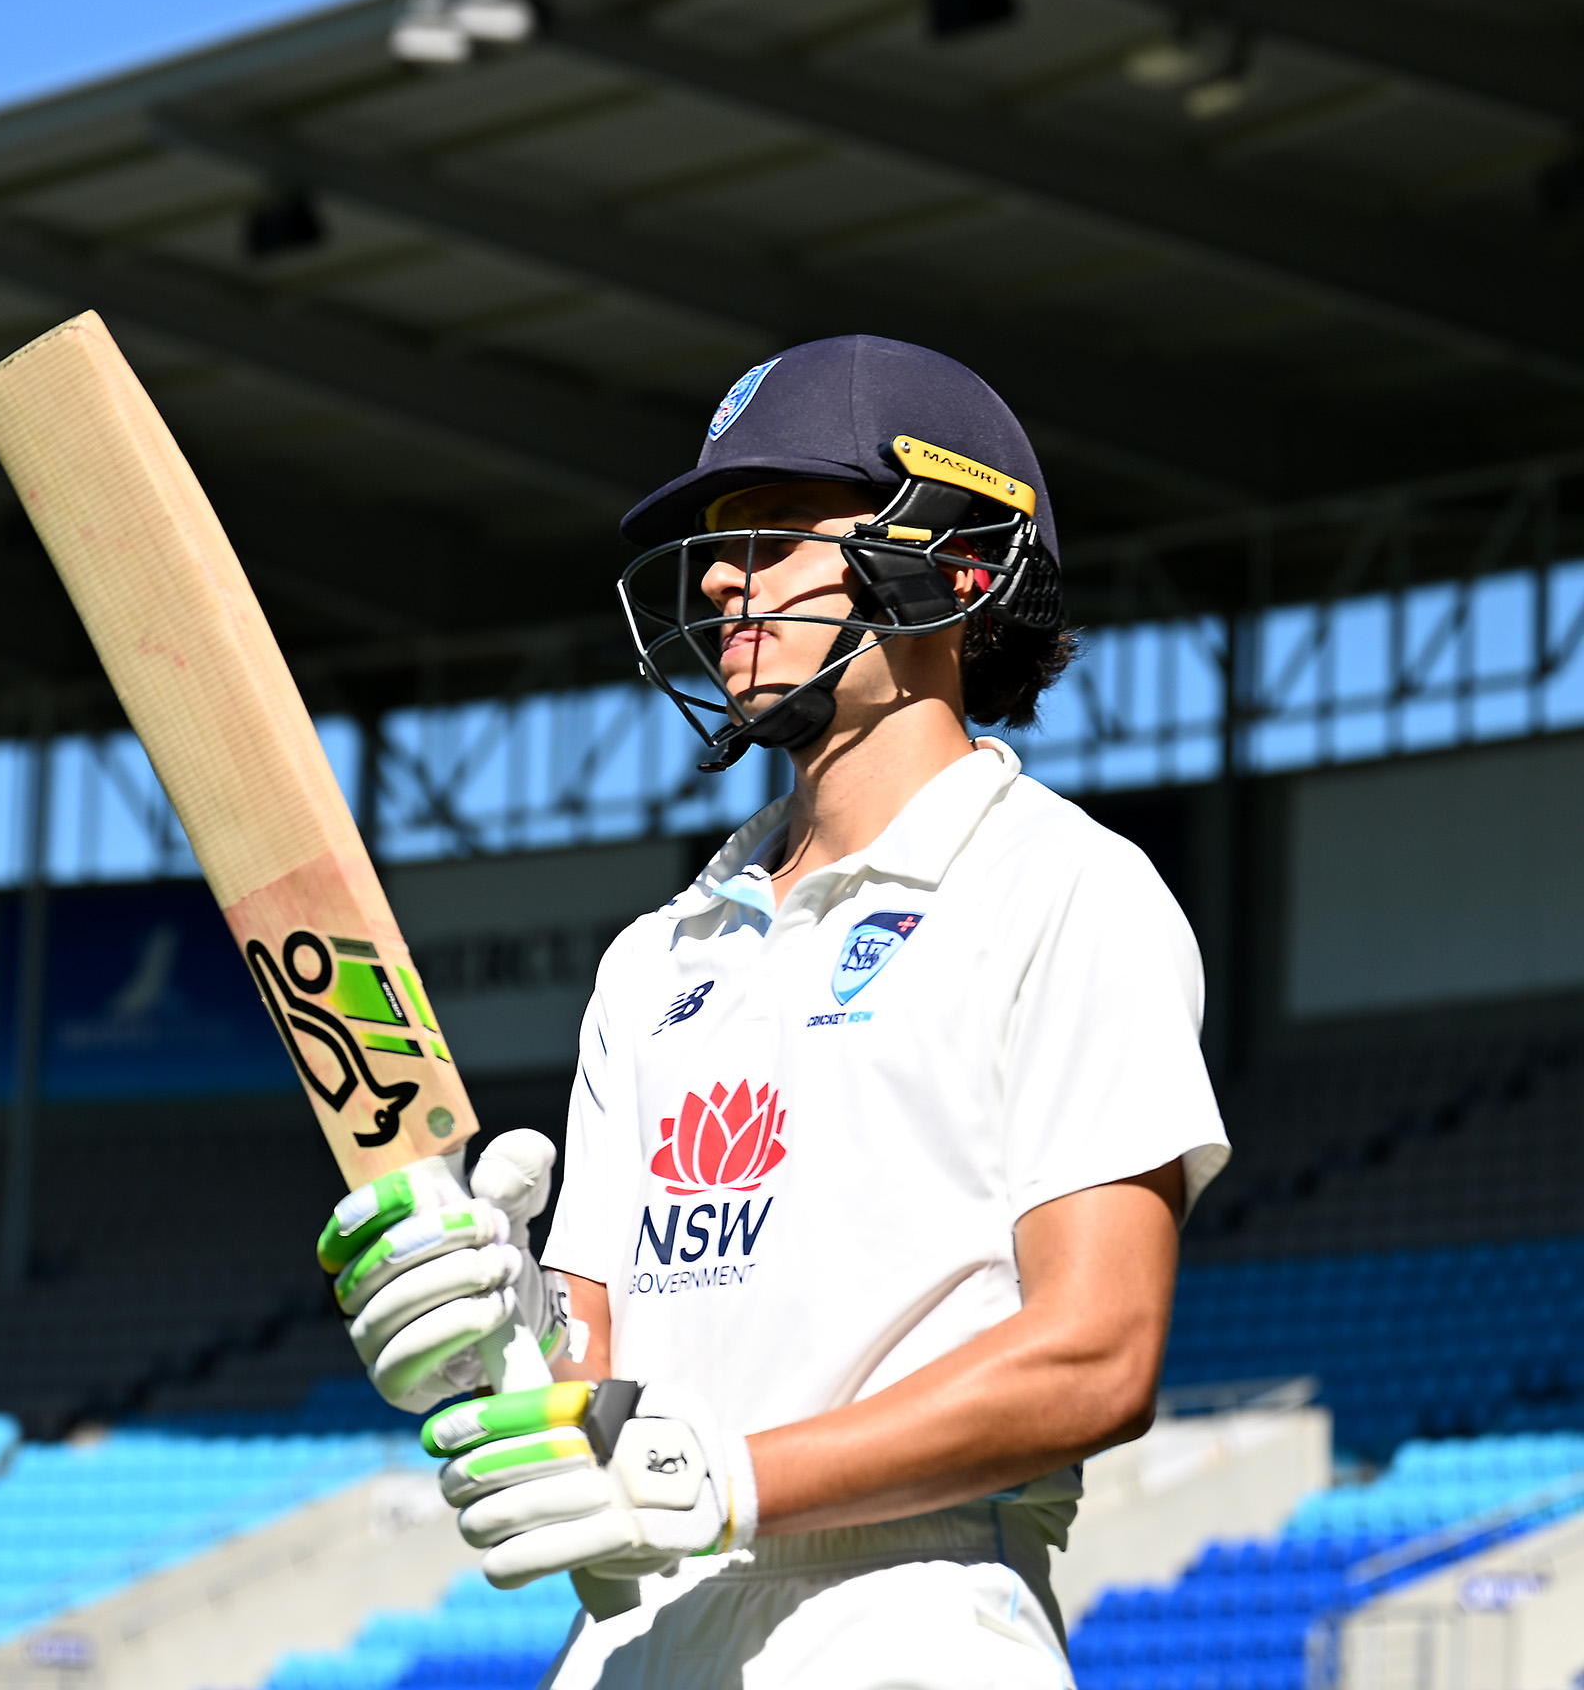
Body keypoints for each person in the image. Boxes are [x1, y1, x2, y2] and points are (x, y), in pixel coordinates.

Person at [319, 335, 1230, 1688]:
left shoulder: (1064, 888)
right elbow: (592, 1361)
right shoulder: (654, 955)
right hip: (635, 1630)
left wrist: (728, 1479)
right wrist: (498, 1331)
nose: (726, 578)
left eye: (780, 531)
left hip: (910, 1614)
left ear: (958, 558)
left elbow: (1097, 1356)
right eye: (714, 544)